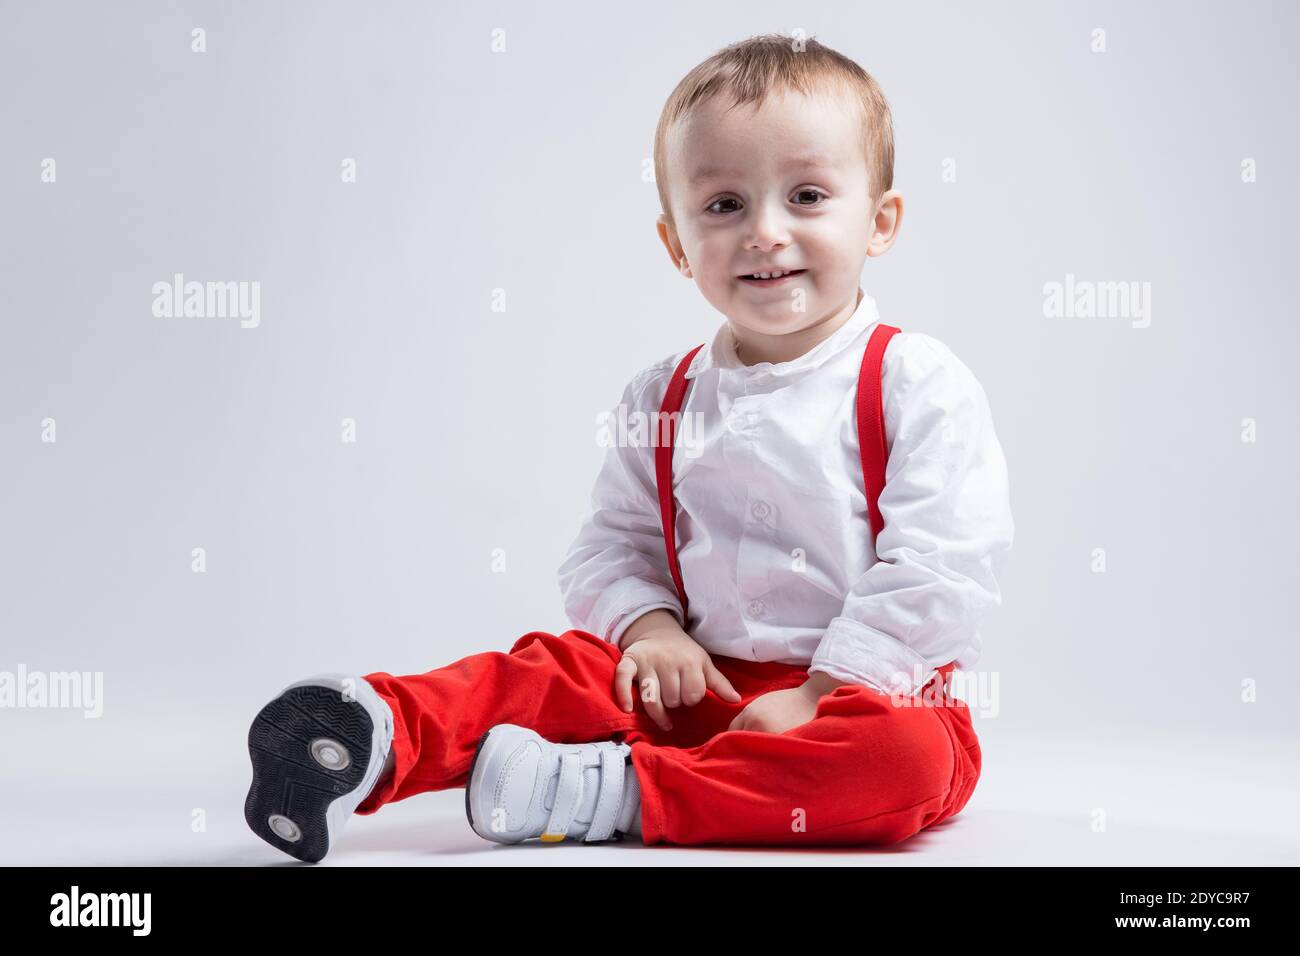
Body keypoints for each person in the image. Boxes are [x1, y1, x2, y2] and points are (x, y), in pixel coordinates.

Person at [244, 33, 1014, 863]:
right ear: (677, 245)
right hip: (695, 678)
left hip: (865, 699)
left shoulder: (913, 381)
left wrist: (825, 689)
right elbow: (613, 543)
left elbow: (943, 567)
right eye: (724, 205)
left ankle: (607, 793)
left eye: (807, 195)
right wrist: (651, 630)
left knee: (899, 766)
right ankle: (375, 734)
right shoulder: (665, 396)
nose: (764, 233)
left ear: (880, 221)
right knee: (561, 671)